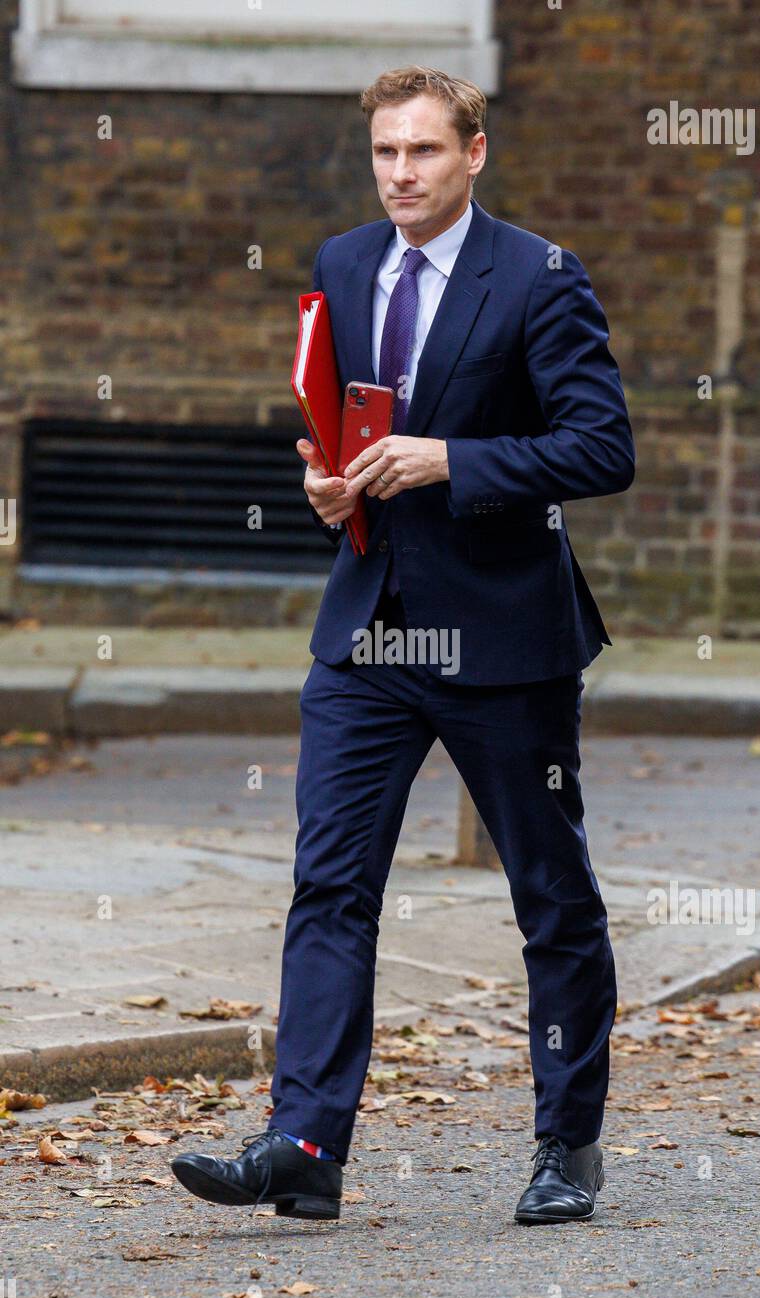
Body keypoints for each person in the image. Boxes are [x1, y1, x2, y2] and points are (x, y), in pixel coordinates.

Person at [172, 64, 635, 1226]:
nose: (400, 175)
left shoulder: (538, 277)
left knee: (549, 896)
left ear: (473, 154)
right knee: (329, 886)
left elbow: (600, 448)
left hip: (502, 638)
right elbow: (342, 429)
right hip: (367, 626)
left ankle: (564, 1143)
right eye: (385, 153)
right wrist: (334, 490)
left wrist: (451, 461)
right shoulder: (341, 263)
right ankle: (304, 1141)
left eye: (423, 152)